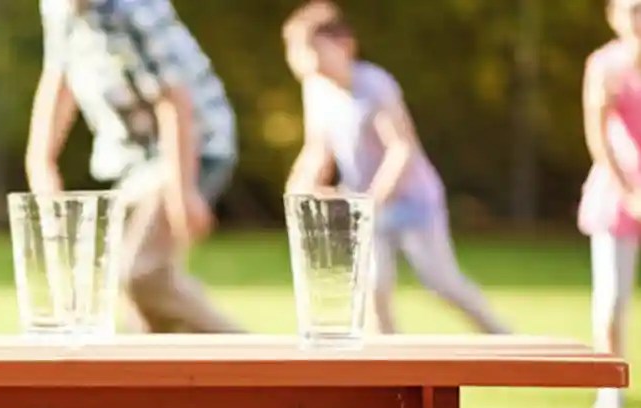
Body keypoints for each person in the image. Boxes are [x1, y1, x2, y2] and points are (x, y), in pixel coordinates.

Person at [281, 1, 510, 338]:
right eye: (295, 50)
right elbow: (318, 149)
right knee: (373, 287)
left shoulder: (374, 84)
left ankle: (503, 338)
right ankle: (389, 366)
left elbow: (401, 147)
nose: (302, 58)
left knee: (442, 282)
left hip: (411, 202)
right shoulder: (317, 90)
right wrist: (298, 188)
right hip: (366, 207)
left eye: (312, 48)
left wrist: (371, 201)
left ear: (345, 45)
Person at [26, 0, 243, 333]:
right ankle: (157, 379)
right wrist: (41, 159)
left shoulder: (133, 7)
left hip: (193, 145)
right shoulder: (59, 8)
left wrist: (182, 192)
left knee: (141, 272)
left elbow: (174, 98)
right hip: (133, 158)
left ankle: (249, 360)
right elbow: (58, 75)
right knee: (135, 297)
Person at [578, 0, 641, 408]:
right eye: (633, 9)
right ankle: (608, 389)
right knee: (612, 297)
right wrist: (629, 192)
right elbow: (597, 135)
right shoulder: (604, 66)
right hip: (619, 190)